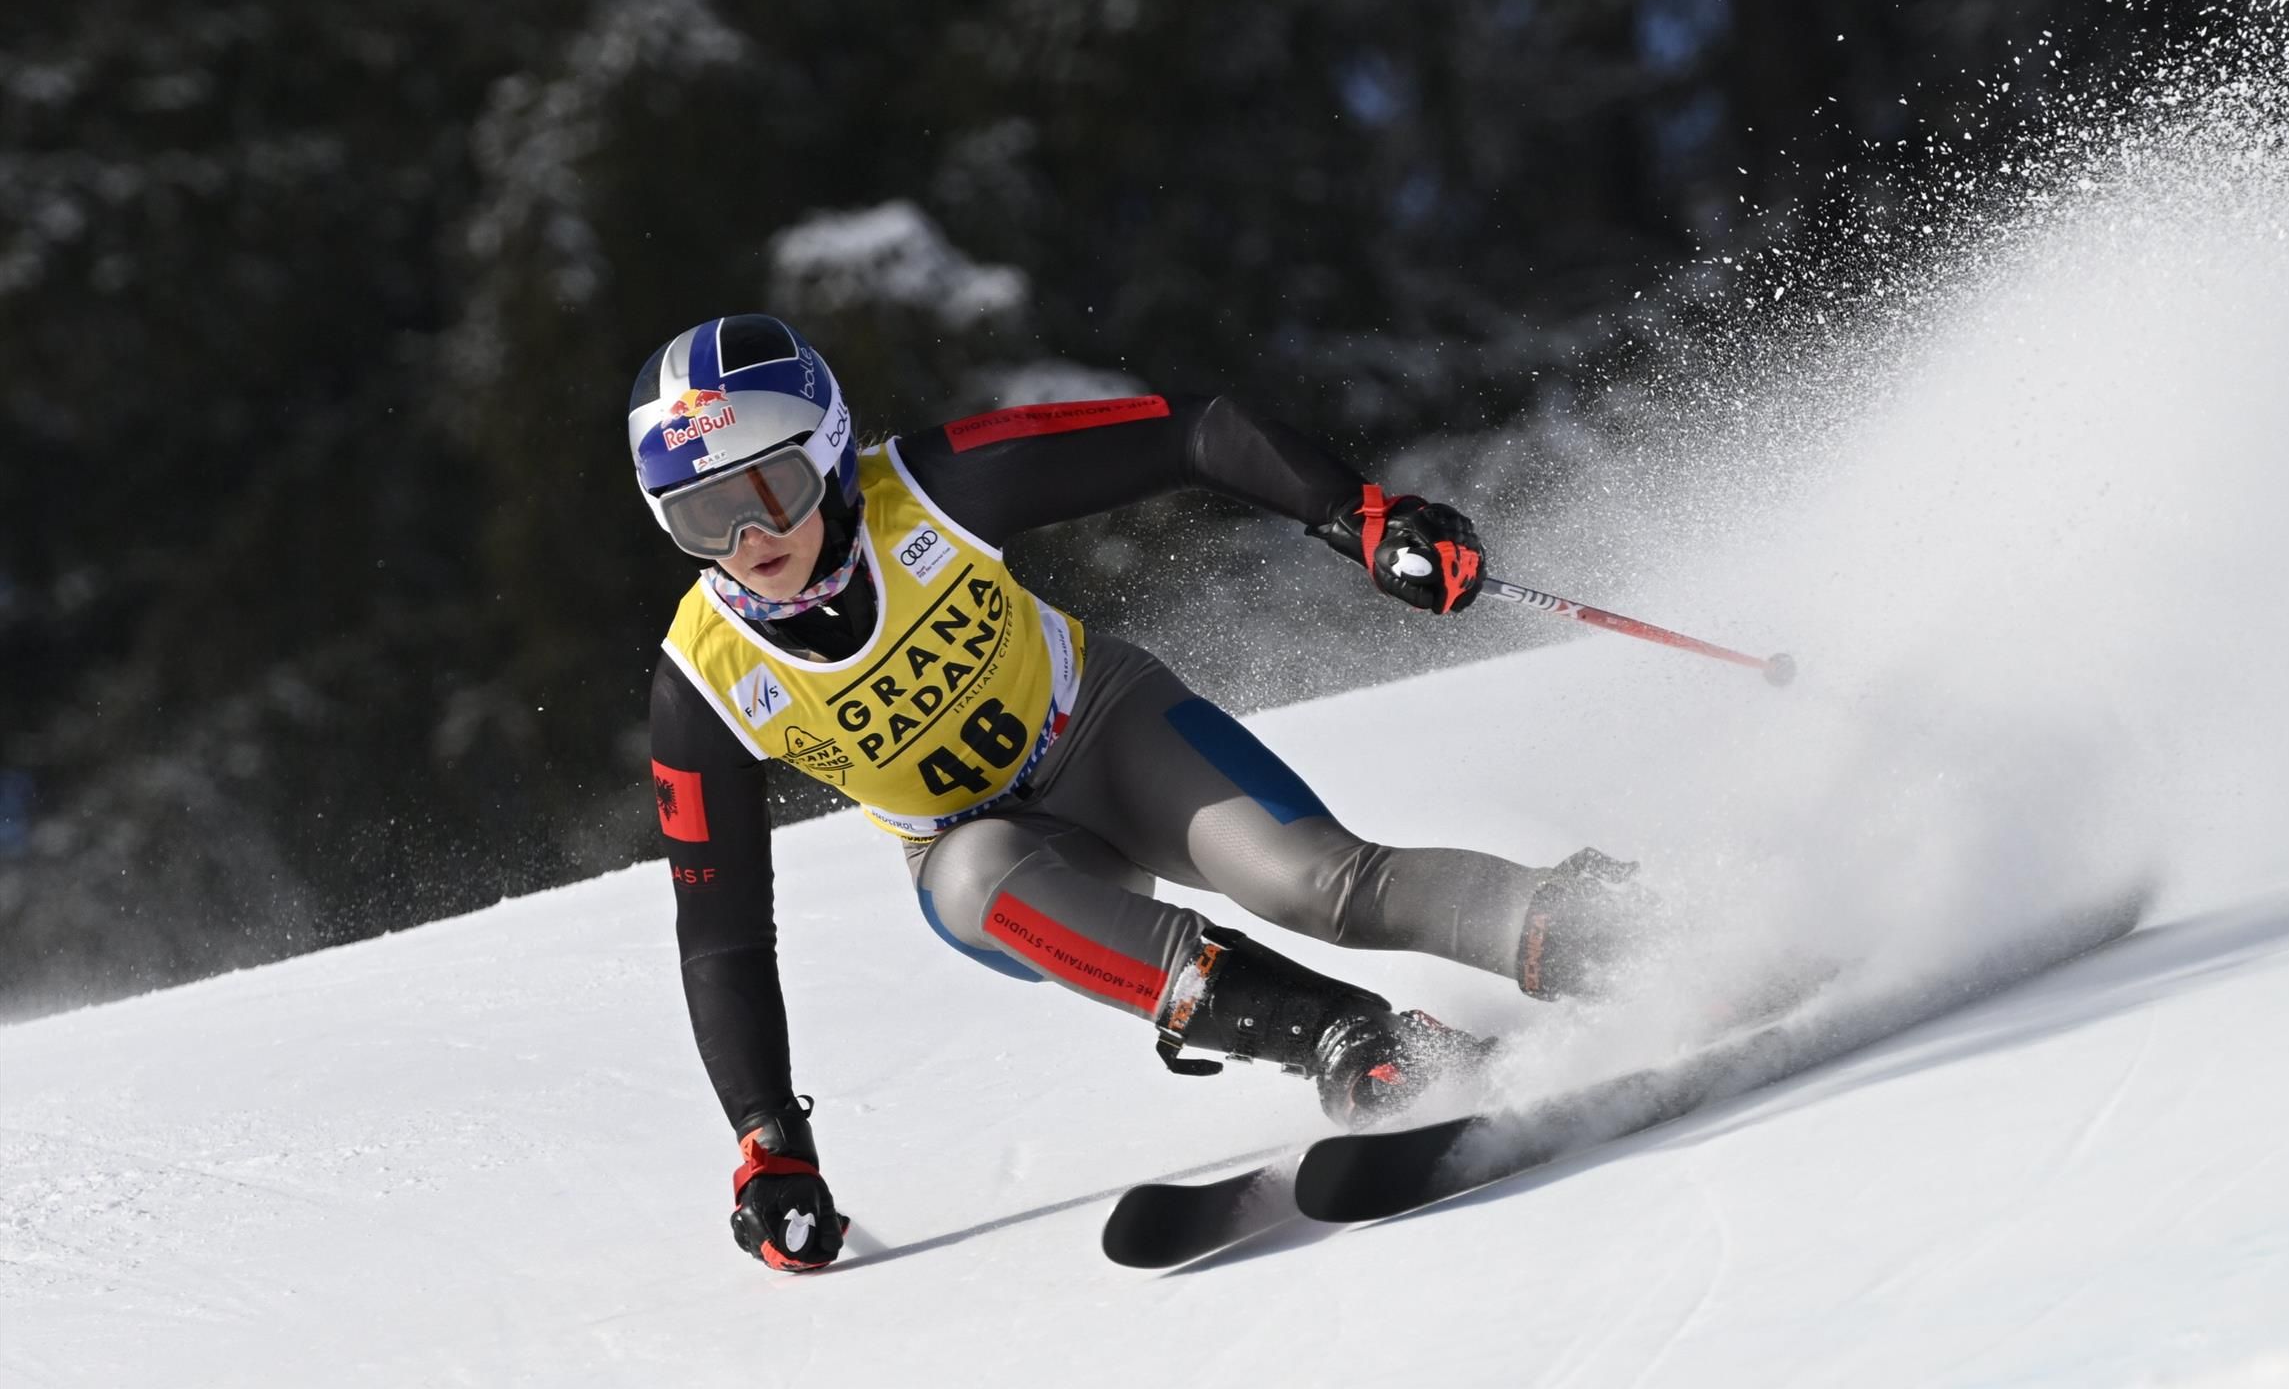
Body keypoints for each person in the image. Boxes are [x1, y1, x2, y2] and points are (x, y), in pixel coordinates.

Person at [635, 314, 1647, 1272]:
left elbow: (1194, 431)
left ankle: (1584, 923)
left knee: (1316, 884)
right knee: (969, 875)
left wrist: (1358, 513)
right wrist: (770, 1145)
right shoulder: (703, 685)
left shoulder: (933, 487)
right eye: (702, 518)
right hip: (998, 855)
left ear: (829, 453)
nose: (747, 542)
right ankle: (1351, 1039)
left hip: (1107, 732)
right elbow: (719, 933)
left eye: (767, 490)